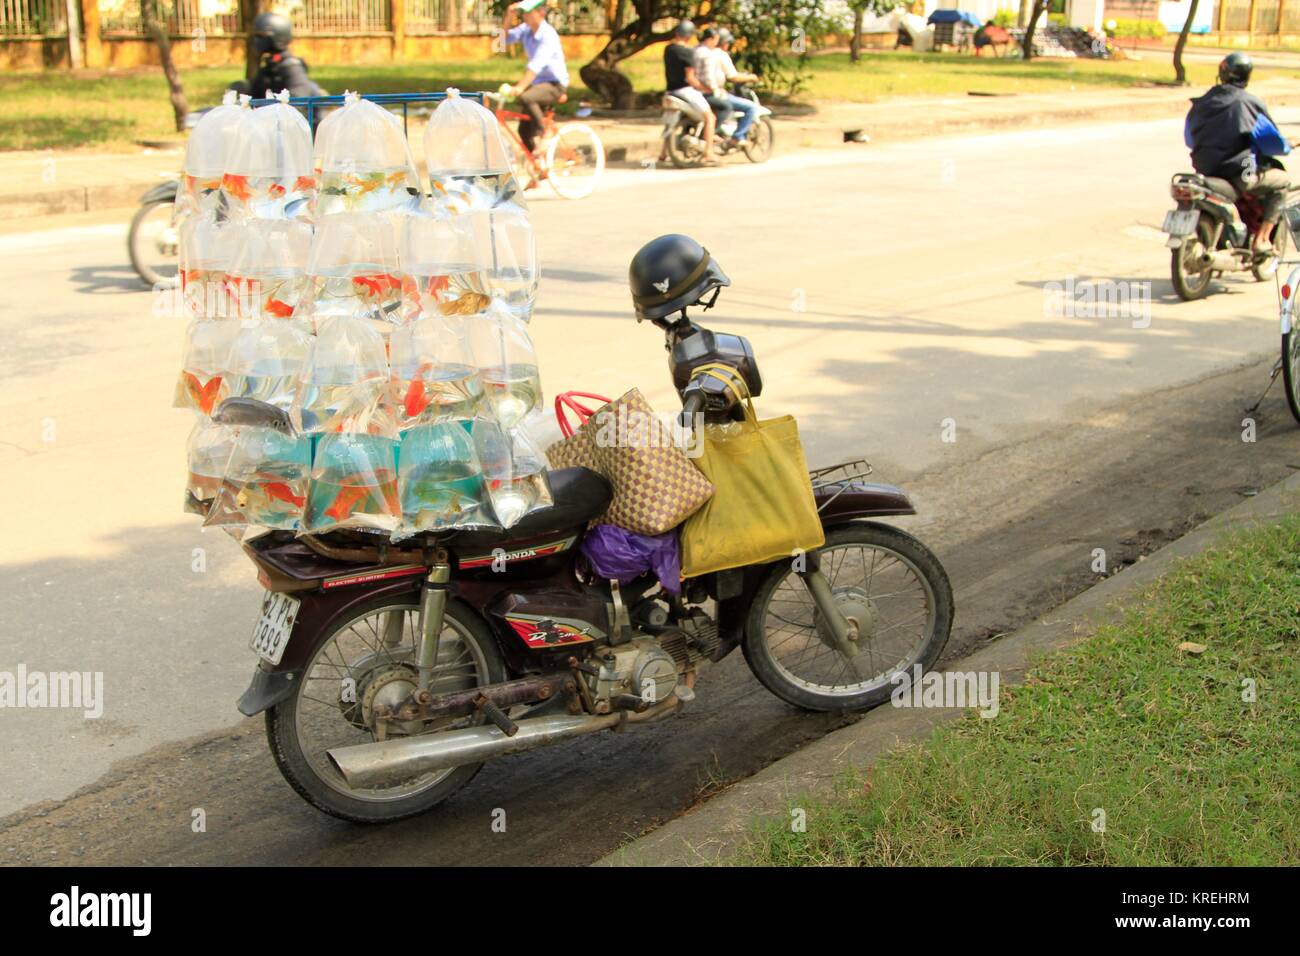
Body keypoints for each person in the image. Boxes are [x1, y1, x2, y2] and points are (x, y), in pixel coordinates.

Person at [1185, 51, 1292, 256]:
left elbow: (1189, 140)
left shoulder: (1201, 103)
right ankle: (1262, 239)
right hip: (1239, 173)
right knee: (1283, 182)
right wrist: (1287, 146)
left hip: (1205, 171)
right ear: (1247, 76)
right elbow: (1270, 143)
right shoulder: (1249, 104)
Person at [500, 0, 570, 155]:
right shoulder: (526, 30)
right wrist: (508, 18)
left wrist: (519, 87)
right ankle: (538, 164)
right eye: (524, 12)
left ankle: (545, 131)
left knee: (526, 97)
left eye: (529, 12)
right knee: (523, 130)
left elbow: (535, 65)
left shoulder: (548, 35)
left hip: (555, 84)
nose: (525, 16)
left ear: (541, 14)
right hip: (539, 85)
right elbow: (501, 42)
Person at [660, 19, 719, 165]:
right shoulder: (687, 52)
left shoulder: (669, 49)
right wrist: (706, 88)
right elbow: (690, 78)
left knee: (670, 123)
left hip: (670, 91)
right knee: (710, 117)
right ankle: (709, 152)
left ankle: (663, 153)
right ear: (689, 35)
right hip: (685, 91)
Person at [229, 12, 322, 99]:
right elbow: (256, 97)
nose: (257, 40)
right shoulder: (270, 65)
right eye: (256, 36)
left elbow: (298, 101)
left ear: (278, 36)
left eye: (262, 36)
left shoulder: (291, 67)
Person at [713, 29, 759, 145]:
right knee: (751, 108)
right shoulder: (721, 55)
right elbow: (733, 77)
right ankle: (738, 137)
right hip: (716, 93)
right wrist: (751, 78)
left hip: (702, 91)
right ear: (724, 43)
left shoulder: (706, 52)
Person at [692, 29, 734, 144]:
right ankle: (712, 133)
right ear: (710, 39)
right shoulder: (708, 54)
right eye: (716, 40)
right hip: (705, 92)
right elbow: (709, 78)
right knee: (726, 106)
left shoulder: (694, 50)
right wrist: (716, 89)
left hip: (692, 91)